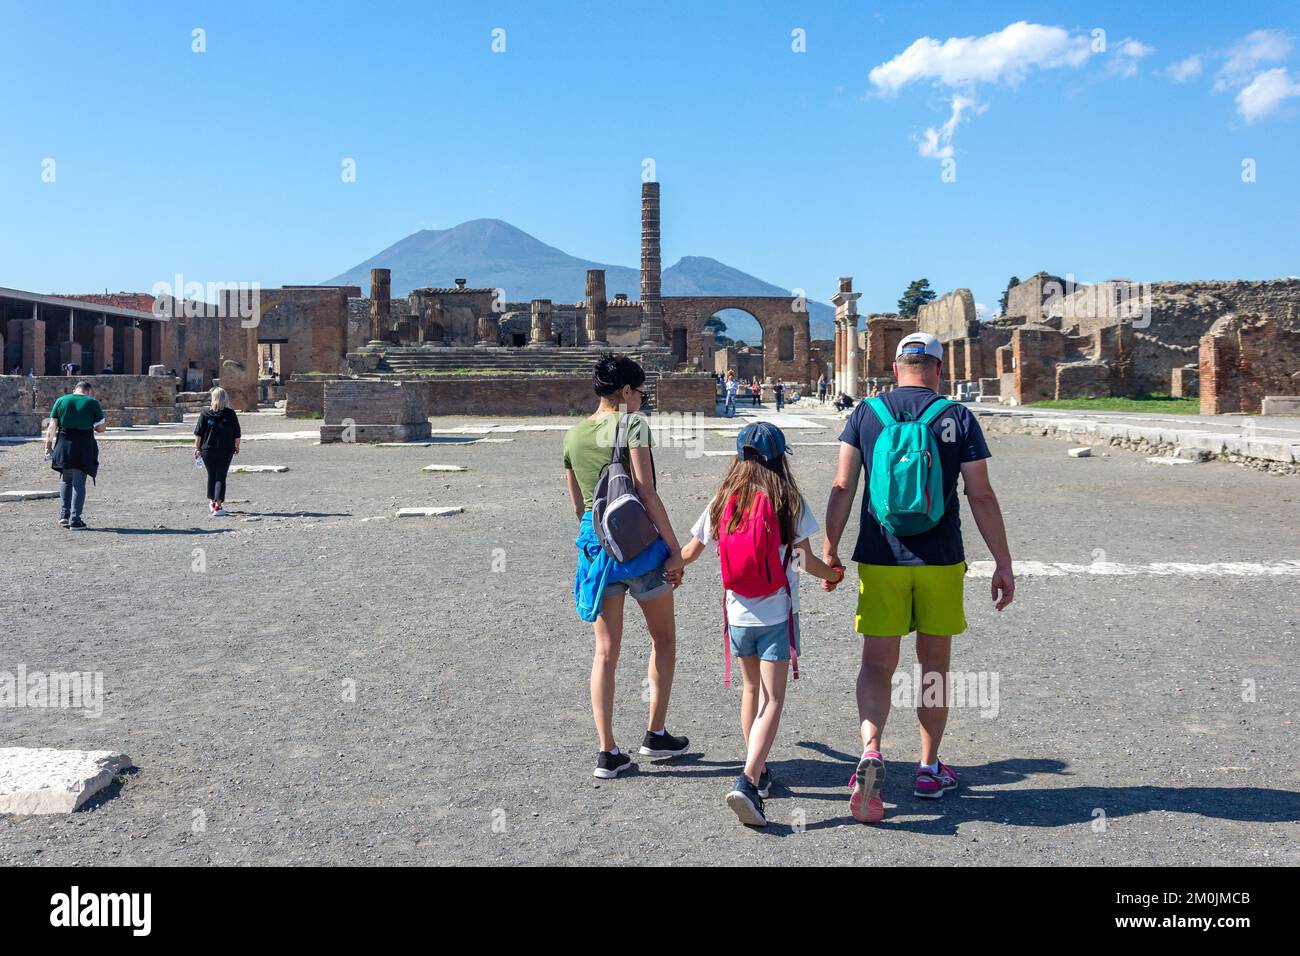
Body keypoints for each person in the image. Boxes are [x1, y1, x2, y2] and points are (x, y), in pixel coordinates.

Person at [822, 331, 1014, 824]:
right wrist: (1002, 561)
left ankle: (870, 751)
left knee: (877, 664)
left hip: (880, 558)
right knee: (933, 668)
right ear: (938, 368)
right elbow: (981, 495)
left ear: (895, 367)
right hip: (940, 559)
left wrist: (831, 550)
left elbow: (843, 485)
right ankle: (928, 769)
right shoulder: (957, 417)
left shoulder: (867, 413)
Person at [681, 423, 843, 827]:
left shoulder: (723, 499)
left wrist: (667, 570)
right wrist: (835, 575)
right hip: (776, 614)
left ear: (739, 456)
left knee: (751, 691)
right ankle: (749, 780)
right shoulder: (788, 499)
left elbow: (690, 551)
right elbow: (805, 562)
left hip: (736, 614)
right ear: (778, 457)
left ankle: (759, 767)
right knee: (773, 699)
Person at [565, 353, 689, 779]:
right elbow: (645, 491)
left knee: (605, 652)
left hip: (597, 549)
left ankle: (608, 752)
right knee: (664, 640)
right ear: (624, 392)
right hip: (639, 548)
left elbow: (579, 505)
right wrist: (674, 548)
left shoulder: (574, 435)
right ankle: (655, 733)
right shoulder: (632, 424)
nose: (642, 400)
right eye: (640, 392)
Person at [44, 381, 106, 529]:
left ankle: (64, 516)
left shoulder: (61, 400)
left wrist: (48, 446)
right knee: (79, 483)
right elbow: (101, 428)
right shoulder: (92, 402)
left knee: (66, 479)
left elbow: (52, 426)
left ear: (74, 390)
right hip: (84, 444)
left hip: (64, 442)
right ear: (89, 391)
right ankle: (75, 520)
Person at [193, 387, 241, 517]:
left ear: (213, 398)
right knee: (220, 476)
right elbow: (237, 434)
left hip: (207, 450)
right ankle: (218, 505)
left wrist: (197, 448)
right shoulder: (230, 414)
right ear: (225, 398)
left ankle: (212, 501)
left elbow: (198, 434)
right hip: (226, 449)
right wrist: (237, 446)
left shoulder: (205, 413)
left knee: (212, 475)